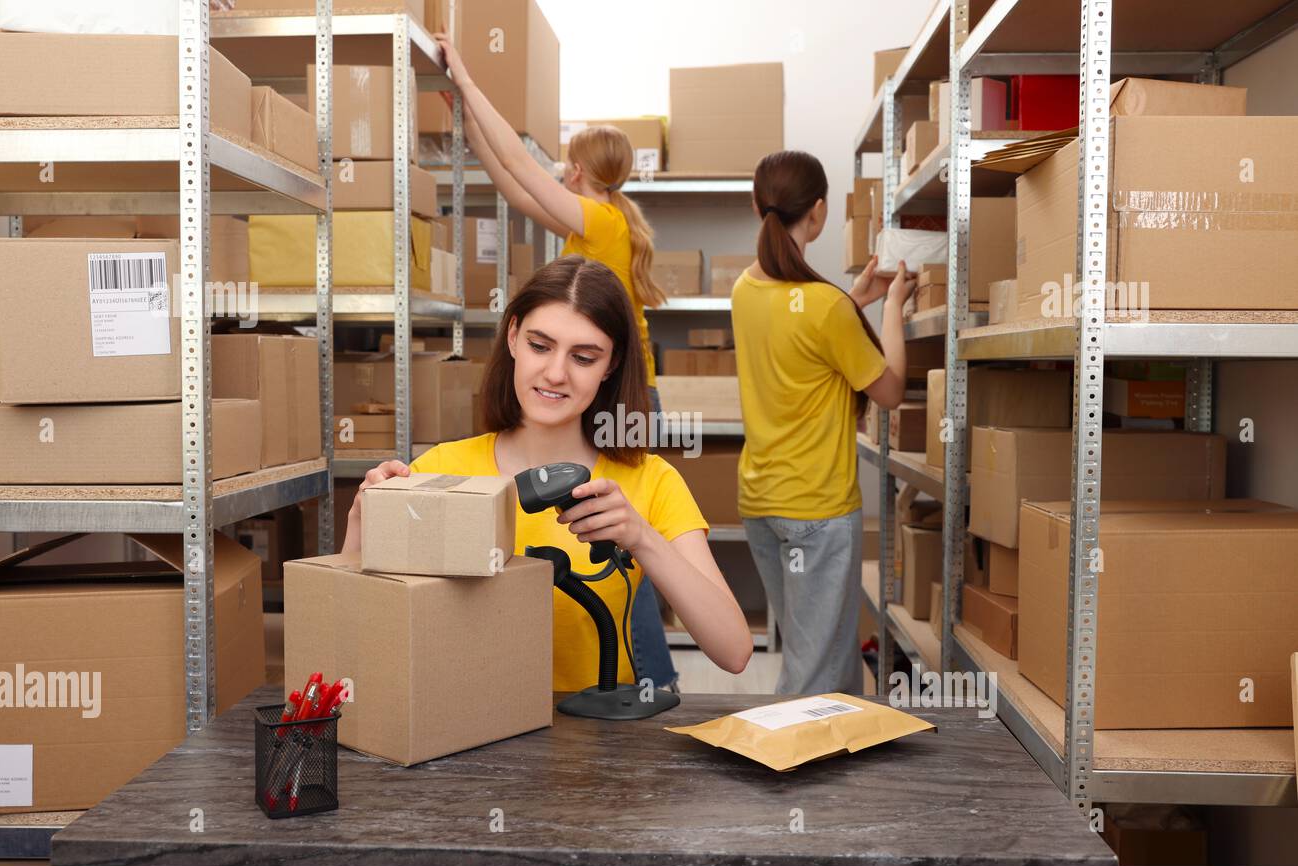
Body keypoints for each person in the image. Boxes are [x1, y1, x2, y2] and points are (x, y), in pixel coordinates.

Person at [341, 256, 752, 693]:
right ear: (514, 337)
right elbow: (351, 638)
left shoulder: (651, 480)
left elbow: (733, 651)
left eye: (584, 357)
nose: (556, 373)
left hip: (595, 738)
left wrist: (642, 537)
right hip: (461, 728)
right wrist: (361, 523)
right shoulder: (441, 470)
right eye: (540, 346)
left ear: (610, 366)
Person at [432, 32, 681, 690]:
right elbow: (515, 185)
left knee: (620, 544)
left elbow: (520, 162)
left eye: (568, 164)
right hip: (605, 387)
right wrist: (464, 119)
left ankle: (647, 677)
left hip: (617, 393)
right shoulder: (591, 221)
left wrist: (467, 78)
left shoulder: (600, 219)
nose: (561, 173)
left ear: (583, 169)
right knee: (608, 540)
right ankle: (630, 672)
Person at [730, 150, 913, 695]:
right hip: (817, 510)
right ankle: (788, 768)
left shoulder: (745, 290)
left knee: (827, 657)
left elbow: (802, 338)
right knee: (813, 674)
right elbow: (891, 392)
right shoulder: (826, 308)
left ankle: (835, 768)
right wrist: (891, 311)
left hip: (762, 504)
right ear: (818, 211)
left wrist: (854, 300)